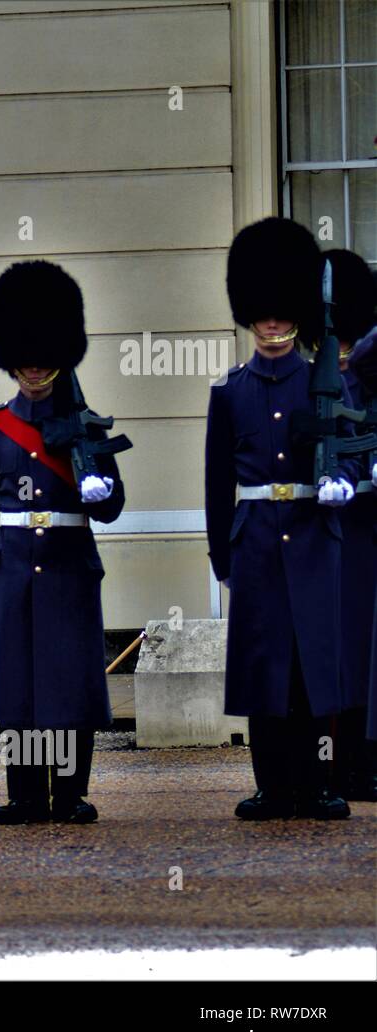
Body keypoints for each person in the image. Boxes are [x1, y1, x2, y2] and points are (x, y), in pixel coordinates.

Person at [205, 217, 355, 820]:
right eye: (262, 313)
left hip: (315, 535)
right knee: (265, 666)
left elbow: (353, 451)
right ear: (250, 314)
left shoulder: (326, 384)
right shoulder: (230, 392)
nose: (271, 324)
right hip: (258, 541)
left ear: (295, 313)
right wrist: (223, 554)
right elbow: (218, 483)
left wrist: (344, 483)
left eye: (280, 312)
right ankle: (271, 784)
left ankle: (317, 783)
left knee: (311, 663)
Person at [0, 260, 125, 825]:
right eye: (24, 361)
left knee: (67, 682)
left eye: (42, 358)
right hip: (13, 566)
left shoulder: (87, 427)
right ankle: (26, 796)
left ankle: (71, 793)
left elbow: (111, 508)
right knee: (19, 688)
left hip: (67, 565)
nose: (33, 370)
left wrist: (98, 484)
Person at [325, 249, 377, 803]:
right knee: (335, 657)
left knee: (365, 657)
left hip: (366, 535)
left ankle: (365, 765)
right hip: (330, 536)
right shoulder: (314, 383)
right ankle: (336, 769)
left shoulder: (366, 374)